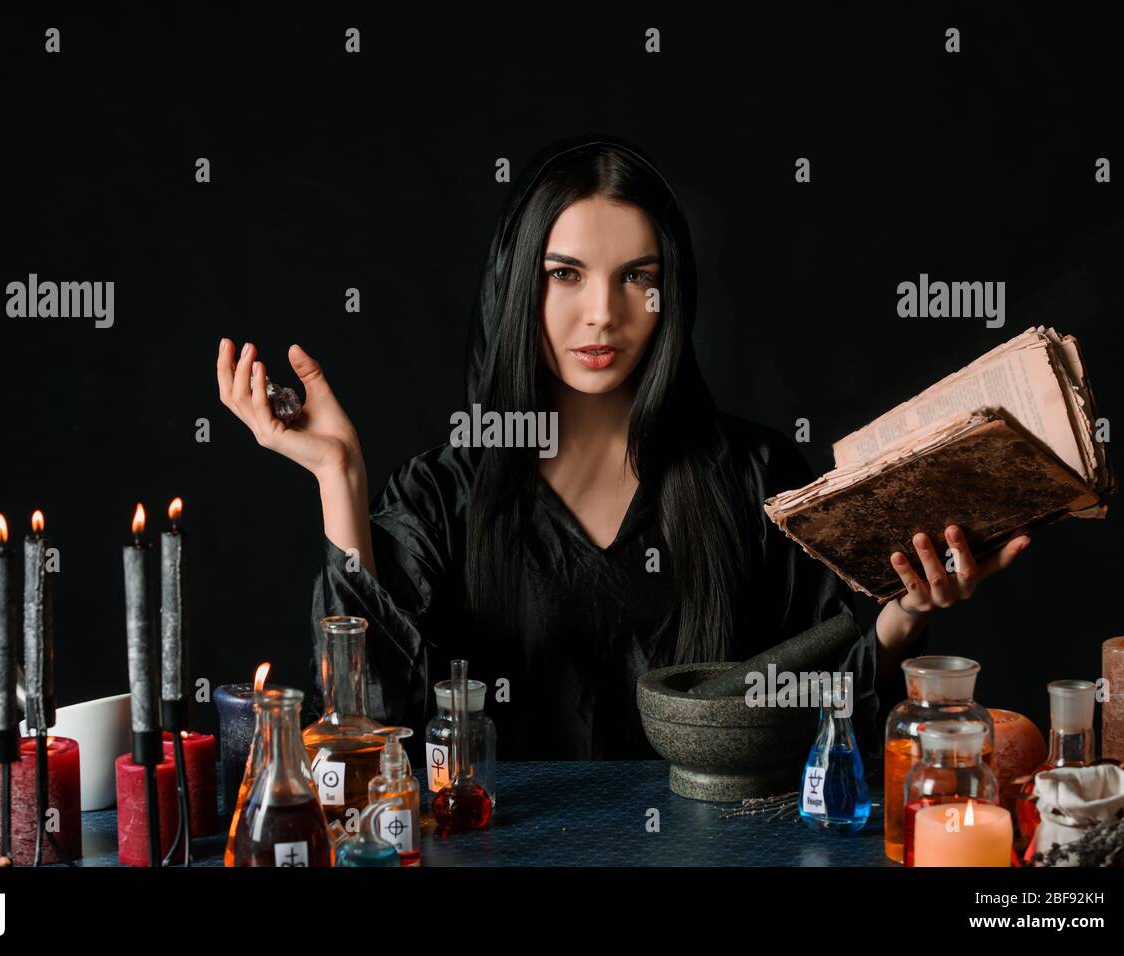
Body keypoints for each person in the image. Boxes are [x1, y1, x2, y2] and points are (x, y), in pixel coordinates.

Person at [214, 133, 1029, 762]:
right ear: (519, 287)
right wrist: (340, 476)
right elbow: (371, 726)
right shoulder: (439, 496)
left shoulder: (756, 479)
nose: (602, 312)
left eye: (637, 276)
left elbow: (813, 706)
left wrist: (904, 618)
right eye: (565, 274)